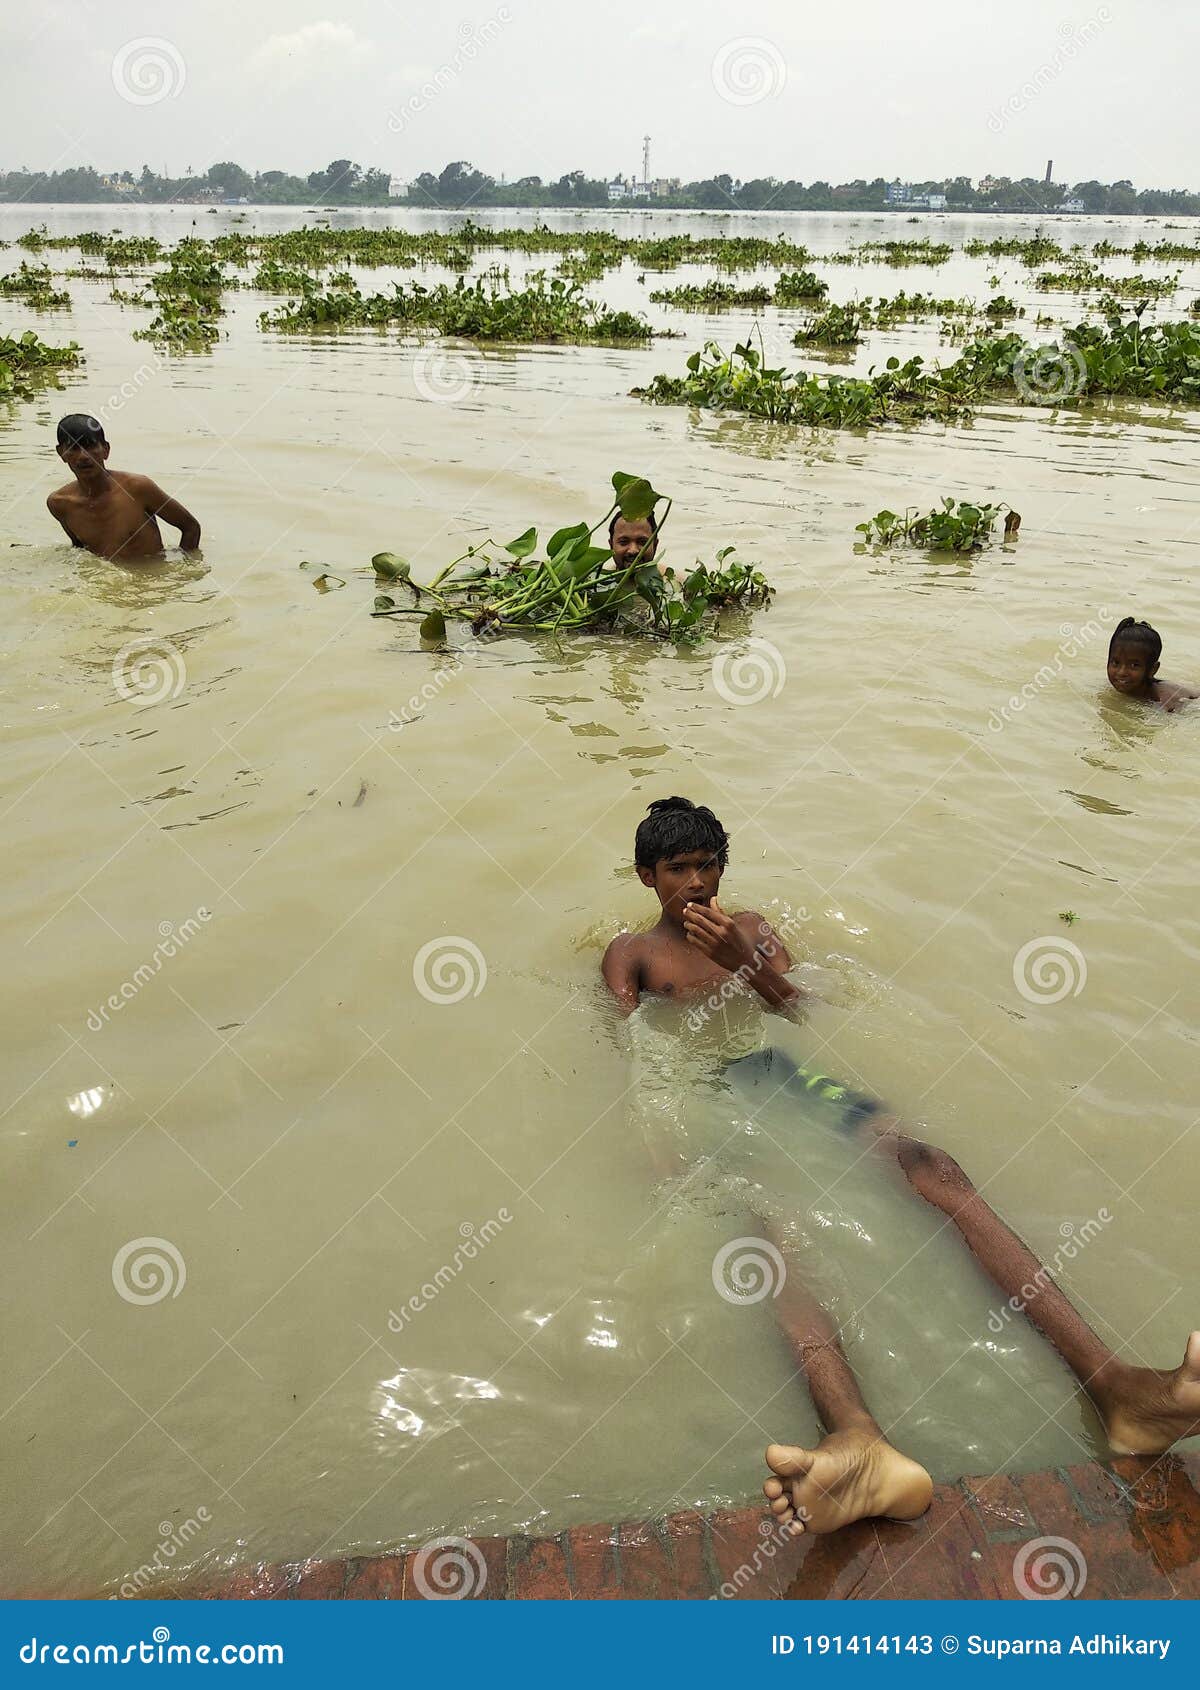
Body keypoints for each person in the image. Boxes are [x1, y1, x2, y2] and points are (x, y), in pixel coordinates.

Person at [602, 797, 1200, 1537]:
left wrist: (744, 965)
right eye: (676, 869)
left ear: (725, 867)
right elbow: (632, 1055)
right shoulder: (631, 953)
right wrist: (657, 1144)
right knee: (765, 1229)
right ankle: (856, 1438)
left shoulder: (752, 930)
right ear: (646, 876)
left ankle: (1118, 1391)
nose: (694, 883)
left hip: (773, 1071)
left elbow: (800, 1010)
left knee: (931, 1163)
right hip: (703, 1093)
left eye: (707, 865)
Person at [47, 414, 201, 562]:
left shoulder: (137, 488)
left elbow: (191, 528)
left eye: (91, 446)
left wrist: (183, 575)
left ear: (106, 450)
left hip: (152, 584)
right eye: (74, 448)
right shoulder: (60, 504)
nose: (83, 456)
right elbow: (80, 550)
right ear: (62, 453)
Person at [1106, 616, 1197, 712]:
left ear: (1153, 669)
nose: (1121, 672)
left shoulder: (1165, 701)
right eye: (1116, 663)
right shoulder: (1123, 685)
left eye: (1134, 665)